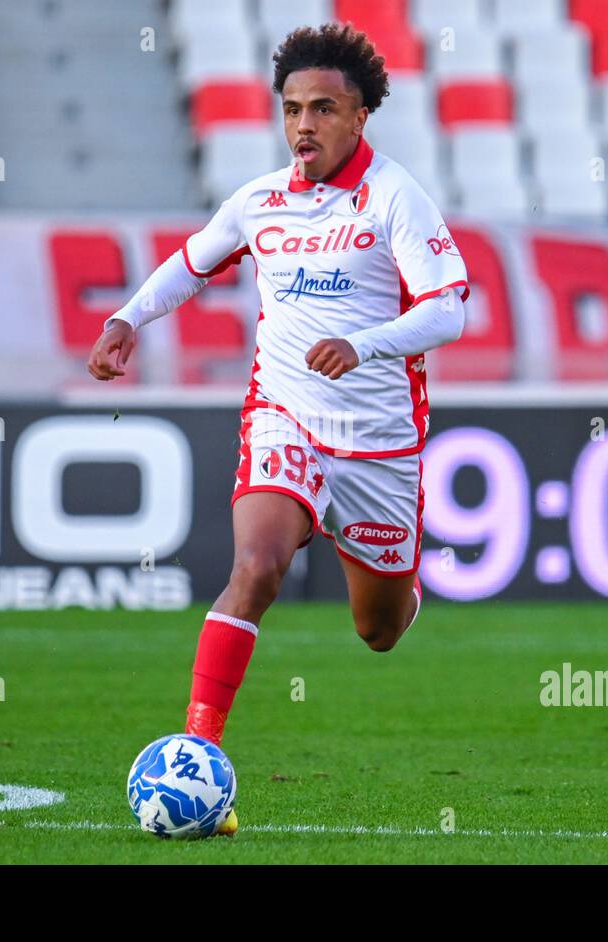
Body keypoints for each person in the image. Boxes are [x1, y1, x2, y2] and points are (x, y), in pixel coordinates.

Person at [88, 23, 470, 835]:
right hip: (283, 418)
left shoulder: (395, 196)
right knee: (256, 566)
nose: (303, 125)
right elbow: (192, 262)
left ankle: (401, 592)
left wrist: (364, 343)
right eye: (292, 108)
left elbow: (448, 308)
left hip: (376, 445)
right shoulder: (261, 200)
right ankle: (197, 754)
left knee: (379, 631)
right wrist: (127, 317)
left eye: (324, 109)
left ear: (361, 116)